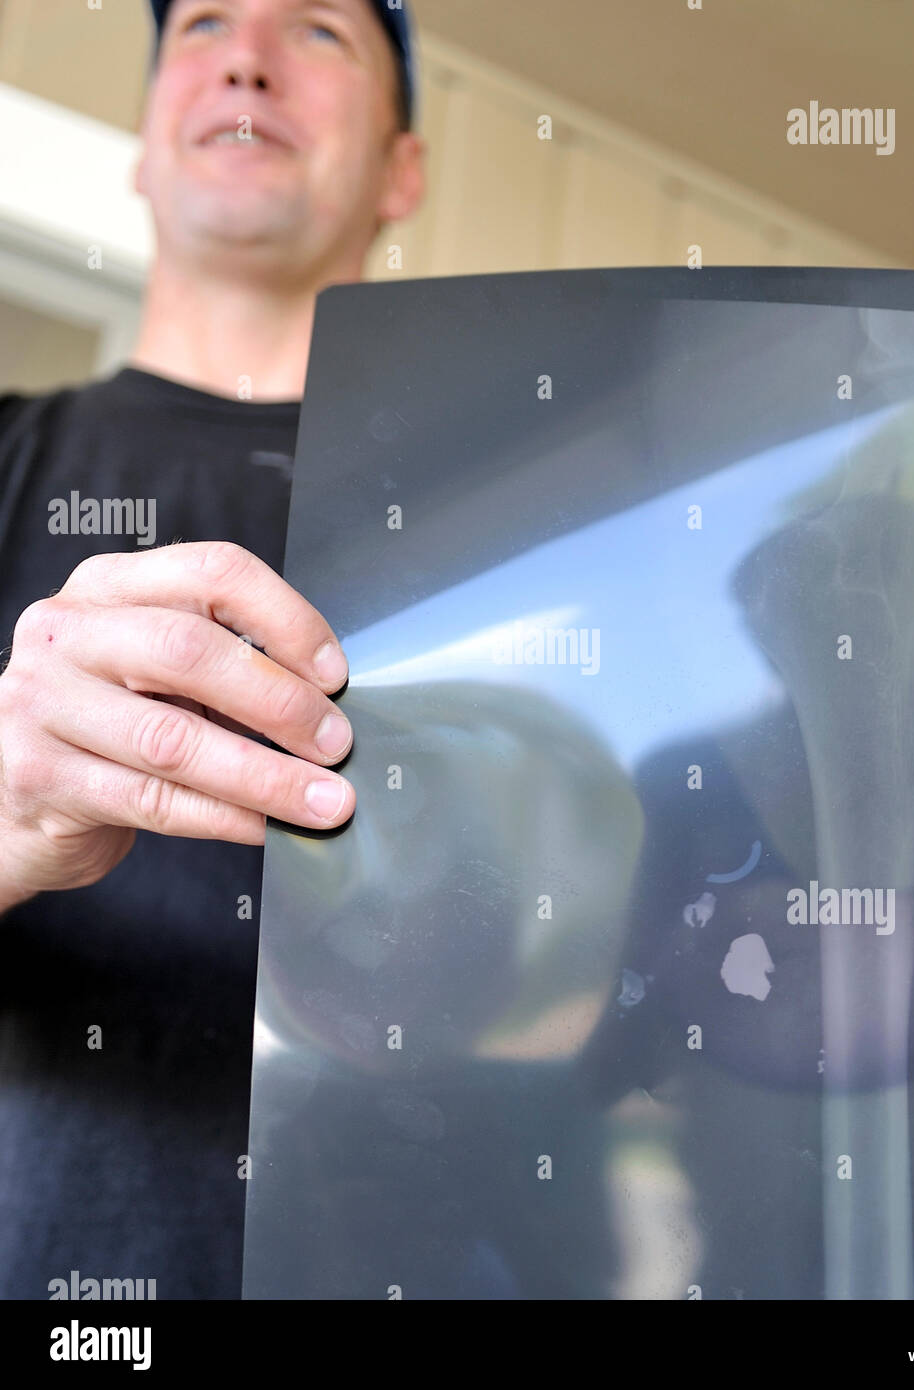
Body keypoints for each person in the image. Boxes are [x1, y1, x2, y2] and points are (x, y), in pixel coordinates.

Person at [0, 0, 426, 1298]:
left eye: (318, 33)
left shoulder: (502, 496)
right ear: (141, 143)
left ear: (403, 168)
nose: (245, 53)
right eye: (202, 24)